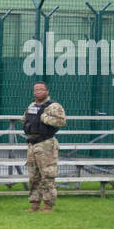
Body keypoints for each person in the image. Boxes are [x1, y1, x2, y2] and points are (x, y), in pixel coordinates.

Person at [23, 79, 67, 213]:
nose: (38, 92)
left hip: (46, 145)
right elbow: (25, 119)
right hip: (32, 144)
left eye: (41, 89)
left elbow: (61, 121)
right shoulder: (32, 106)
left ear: (47, 91)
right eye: (36, 89)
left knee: (47, 177)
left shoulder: (54, 106)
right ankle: (34, 205)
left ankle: (48, 205)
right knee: (33, 177)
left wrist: (44, 118)